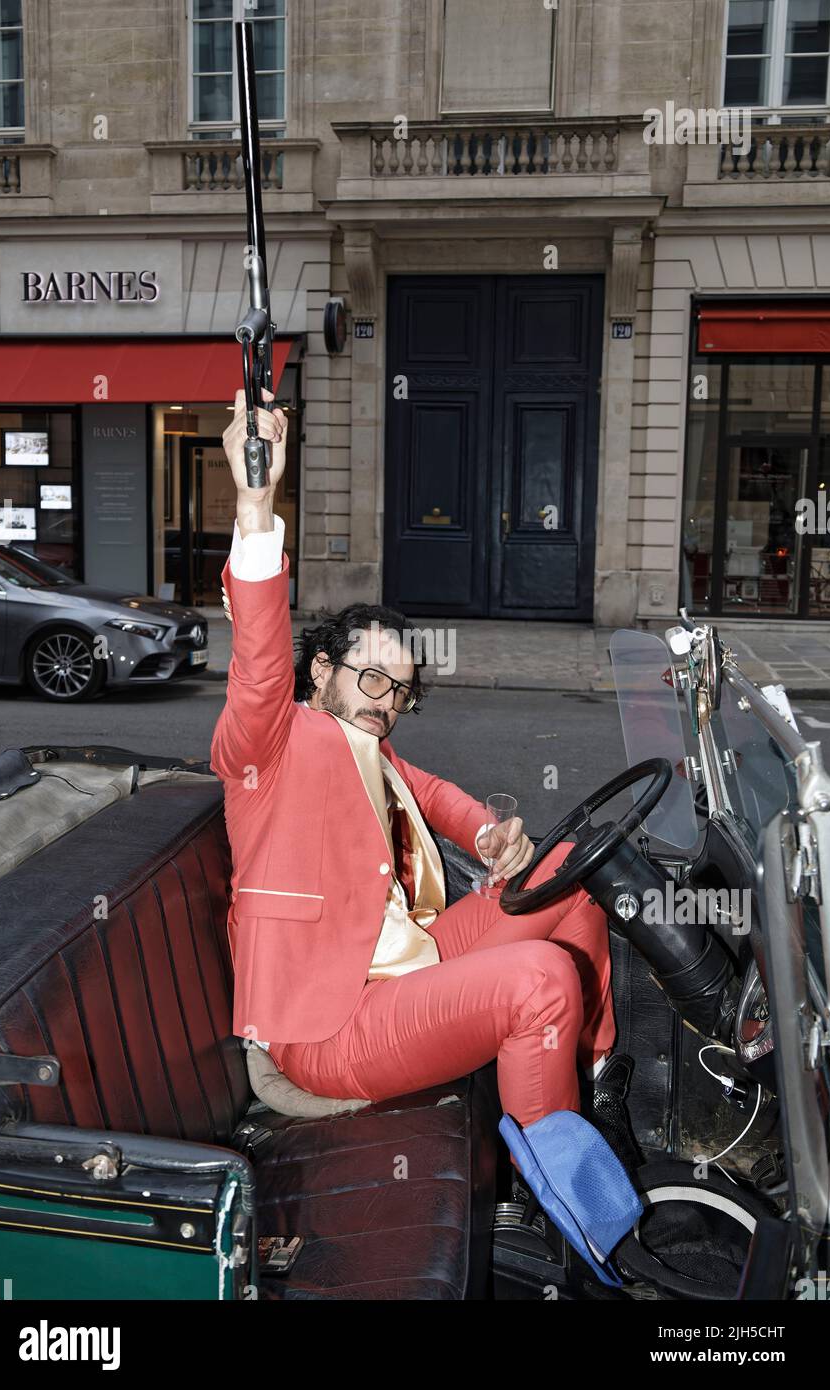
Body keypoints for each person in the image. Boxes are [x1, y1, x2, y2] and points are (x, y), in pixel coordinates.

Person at [210, 389, 616, 1140]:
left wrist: (489, 834)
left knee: (571, 874)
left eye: (400, 691)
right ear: (321, 671)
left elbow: (433, 795)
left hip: (411, 962)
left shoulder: (373, 747)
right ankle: (561, 1186)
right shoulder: (270, 740)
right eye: (372, 680)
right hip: (328, 1024)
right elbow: (259, 666)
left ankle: (596, 1077)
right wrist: (256, 501)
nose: (386, 703)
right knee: (542, 976)